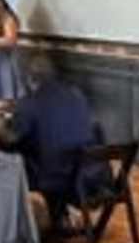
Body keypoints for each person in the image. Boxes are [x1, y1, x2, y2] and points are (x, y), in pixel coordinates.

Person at [6, 52, 98, 229]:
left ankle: (22, 225)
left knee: (8, 158)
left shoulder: (30, 103)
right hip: (87, 175)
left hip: (52, 180)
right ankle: (60, 213)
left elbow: (13, 139)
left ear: (30, 79)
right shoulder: (76, 95)